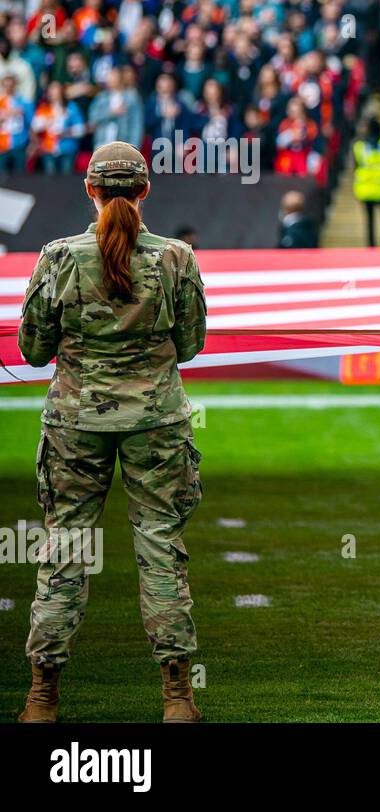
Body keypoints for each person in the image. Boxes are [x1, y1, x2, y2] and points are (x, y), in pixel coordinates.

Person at [16, 141, 207, 723]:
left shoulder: (58, 256)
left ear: (89, 190)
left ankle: (42, 698)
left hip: (75, 423)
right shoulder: (176, 256)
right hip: (157, 423)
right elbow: (193, 346)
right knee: (160, 553)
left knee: (64, 550)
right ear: (145, 191)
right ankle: (178, 700)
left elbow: (33, 349)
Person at [353, 117, 380, 248]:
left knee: (370, 221)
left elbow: (356, 166)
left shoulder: (359, 146)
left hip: (367, 189)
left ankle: (371, 246)